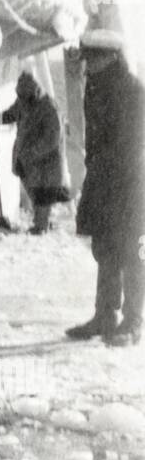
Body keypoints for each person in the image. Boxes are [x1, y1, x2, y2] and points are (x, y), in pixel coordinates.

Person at [66, 30, 145, 346]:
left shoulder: (134, 91)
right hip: (105, 182)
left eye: (93, 59)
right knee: (106, 250)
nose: (87, 65)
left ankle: (133, 321)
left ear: (112, 57)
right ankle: (105, 315)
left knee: (135, 253)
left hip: (133, 185)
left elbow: (133, 144)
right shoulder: (97, 88)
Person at [1, 69, 71, 233]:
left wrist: (33, 153)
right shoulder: (22, 102)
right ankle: (42, 222)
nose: (23, 100)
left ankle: (41, 226)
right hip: (27, 160)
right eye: (20, 96)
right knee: (34, 192)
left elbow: (52, 139)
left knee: (43, 193)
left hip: (46, 163)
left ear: (35, 91)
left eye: (26, 96)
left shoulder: (49, 107)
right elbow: (9, 115)